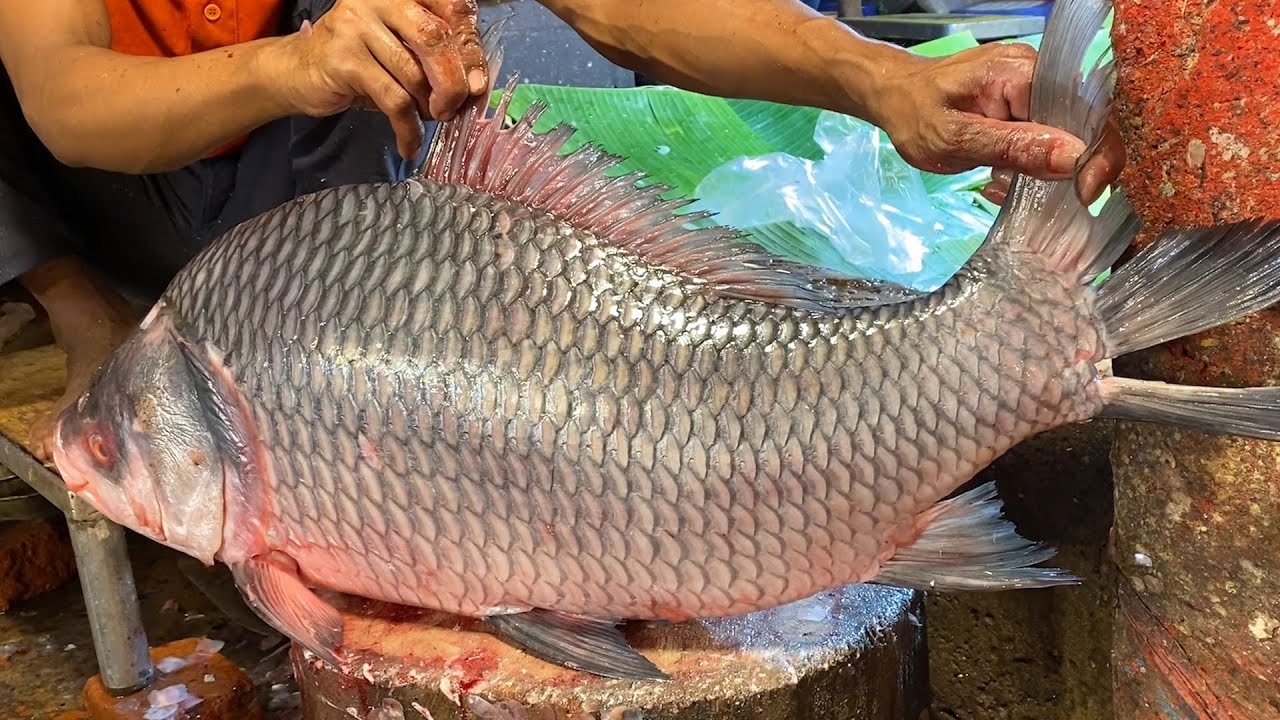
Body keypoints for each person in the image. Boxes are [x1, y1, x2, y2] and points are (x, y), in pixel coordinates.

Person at [0, 0, 1123, 460]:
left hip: (303, 234)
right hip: (109, 197)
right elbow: (66, 103)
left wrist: (877, 80)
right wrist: (291, 65)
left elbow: (634, 10)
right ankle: (84, 309)